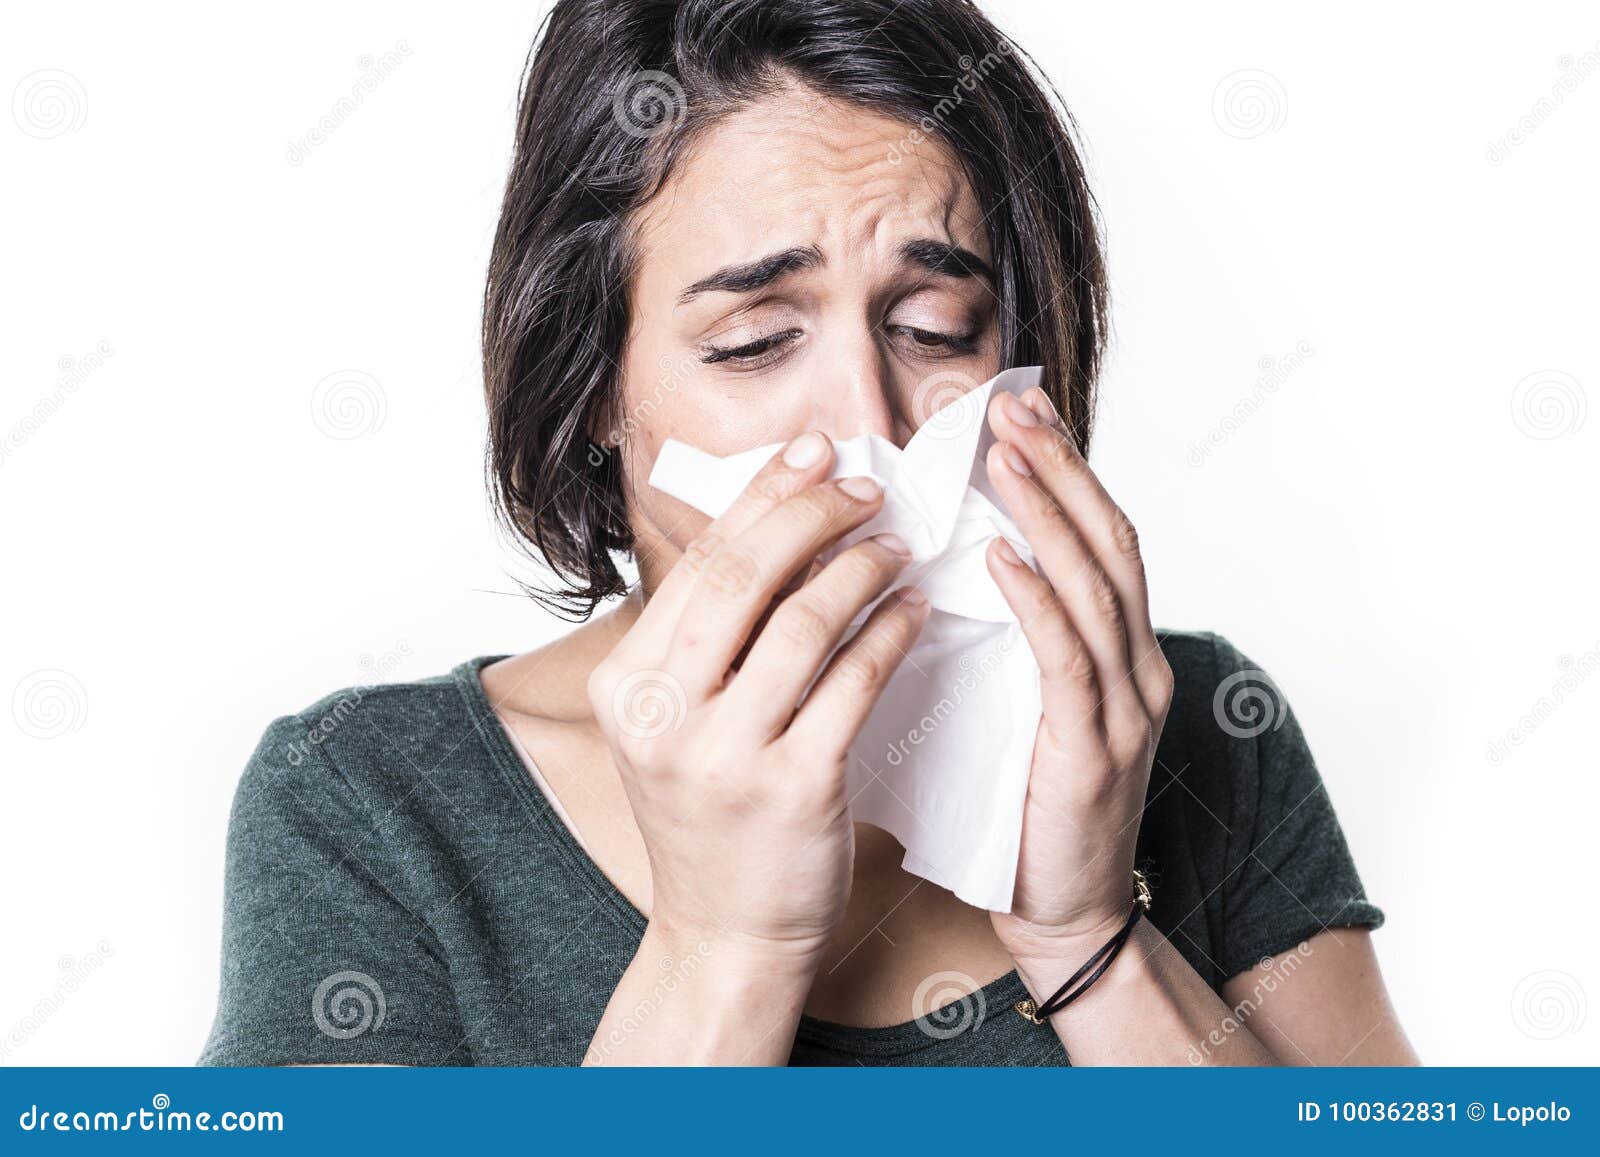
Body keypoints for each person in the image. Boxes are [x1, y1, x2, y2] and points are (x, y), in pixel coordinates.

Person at [201, 0, 1415, 1066]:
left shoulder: (1186, 721)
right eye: (753, 341)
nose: (867, 418)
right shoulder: (368, 807)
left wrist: (1087, 934)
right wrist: (721, 945)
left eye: (936, 326)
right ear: (593, 398)